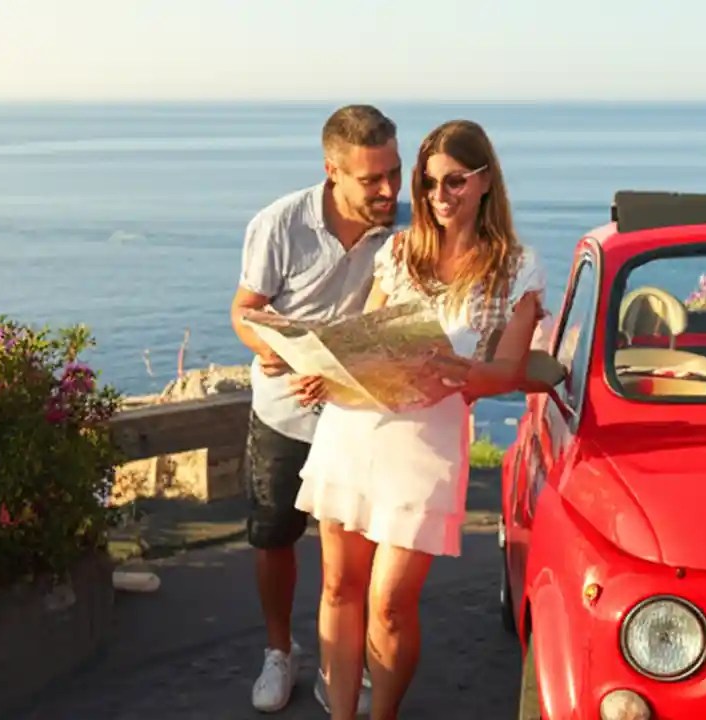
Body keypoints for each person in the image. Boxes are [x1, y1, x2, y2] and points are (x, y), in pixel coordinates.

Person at [293, 119, 547, 720]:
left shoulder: (517, 269)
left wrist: (458, 369)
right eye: (428, 183)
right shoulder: (400, 250)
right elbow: (365, 338)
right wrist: (324, 373)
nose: (439, 197)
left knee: (389, 602)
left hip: (428, 446)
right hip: (356, 431)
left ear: (486, 182)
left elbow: (509, 372)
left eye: (454, 181)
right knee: (337, 587)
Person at [230, 104, 403, 714]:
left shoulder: (406, 229)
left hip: (358, 417)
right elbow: (244, 312)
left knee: (358, 551)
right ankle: (280, 651)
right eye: (371, 179)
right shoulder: (280, 224)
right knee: (274, 536)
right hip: (284, 410)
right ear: (332, 170)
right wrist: (283, 352)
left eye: (394, 173)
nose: (388, 191)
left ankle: (347, 664)